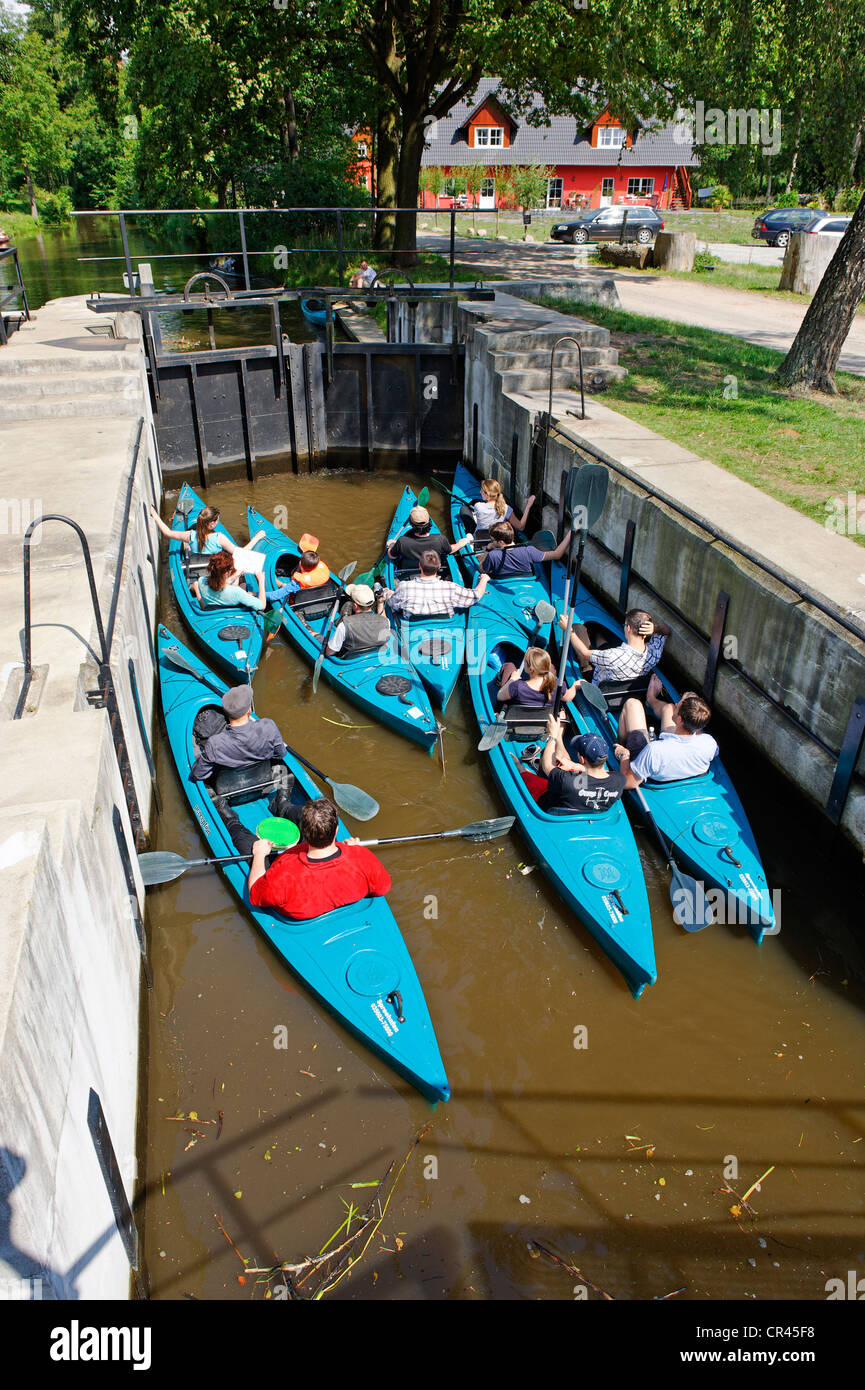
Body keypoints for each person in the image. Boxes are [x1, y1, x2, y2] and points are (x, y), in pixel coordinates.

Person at [190, 685, 297, 851]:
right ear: (249, 710)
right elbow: (280, 753)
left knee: (205, 784)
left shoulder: (215, 744)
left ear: (226, 714)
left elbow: (198, 774)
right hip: (264, 785)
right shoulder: (268, 726)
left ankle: (230, 818)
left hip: (229, 792)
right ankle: (282, 803)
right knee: (281, 766)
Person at [248, 797, 391, 920]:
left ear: (303, 832)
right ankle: (282, 805)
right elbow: (382, 888)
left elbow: (254, 895)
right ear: (336, 830)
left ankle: (232, 821)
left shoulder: (285, 868)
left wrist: (259, 854)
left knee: (248, 844)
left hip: (297, 917)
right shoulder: (362, 856)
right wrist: (355, 849)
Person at [615, 676, 718, 785]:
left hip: (649, 762)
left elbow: (628, 783)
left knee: (632, 704)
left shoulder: (654, 751)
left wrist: (624, 756)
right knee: (668, 708)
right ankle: (651, 699)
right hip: (675, 753)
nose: (676, 704)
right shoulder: (709, 743)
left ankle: (620, 744)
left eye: (678, 706)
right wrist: (693, 710)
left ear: (679, 720)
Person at [522, 718, 626, 815]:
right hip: (587, 811)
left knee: (519, 768)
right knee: (567, 767)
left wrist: (552, 736)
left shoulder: (566, 780)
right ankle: (560, 738)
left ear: (581, 758)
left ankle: (517, 763)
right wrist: (574, 766)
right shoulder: (619, 780)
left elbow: (547, 766)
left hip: (552, 806)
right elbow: (599, 773)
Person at [560, 607, 670, 685]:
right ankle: (596, 633)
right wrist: (655, 628)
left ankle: (586, 667)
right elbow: (666, 631)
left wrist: (569, 630)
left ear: (629, 628)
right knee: (600, 636)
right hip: (619, 673)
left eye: (625, 624)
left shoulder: (613, 655)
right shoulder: (654, 653)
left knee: (577, 628)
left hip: (599, 680)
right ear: (647, 632)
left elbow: (584, 653)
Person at [385, 549, 488, 618]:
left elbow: (392, 604)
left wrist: (389, 593)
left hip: (412, 627)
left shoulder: (404, 586)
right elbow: (476, 595)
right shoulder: (450, 587)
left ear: (420, 566)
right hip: (446, 627)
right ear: (439, 567)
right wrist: (484, 579)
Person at [386, 505, 473, 572]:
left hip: (407, 571)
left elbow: (391, 556)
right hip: (432, 570)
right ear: (429, 523)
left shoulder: (402, 541)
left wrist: (391, 544)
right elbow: (450, 550)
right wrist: (461, 543)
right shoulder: (440, 539)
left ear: (411, 524)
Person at [480, 520, 572, 579]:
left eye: (493, 540)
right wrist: (571, 532)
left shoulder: (493, 555)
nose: (492, 542)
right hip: (528, 583)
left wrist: (488, 550)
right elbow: (557, 554)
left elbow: (481, 569)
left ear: (501, 542)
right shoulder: (529, 550)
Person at [496, 647, 576, 708]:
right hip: (542, 724)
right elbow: (568, 697)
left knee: (509, 666)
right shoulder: (558, 685)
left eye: (525, 662)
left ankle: (497, 710)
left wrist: (512, 679)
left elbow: (499, 696)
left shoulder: (517, 686)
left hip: (518, 721)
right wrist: (575, 686)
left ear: (530, 669)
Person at [326, 582, 390, 657]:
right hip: (374, 657)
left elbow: (329, 652)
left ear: (355, 606)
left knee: (318, 637)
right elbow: (382, 618)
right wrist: (380, 602)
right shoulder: (386, 622)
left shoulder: (344, 626)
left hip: (349, 659)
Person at [193, 550, 267, 611]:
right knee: (243, 585)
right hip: (231, 615)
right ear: (226, 573)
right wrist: (261, 581)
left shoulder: (201, 581)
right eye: (232, 569)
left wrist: (235, 575)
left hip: (212, 611)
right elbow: (262, 605)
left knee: (241, 585)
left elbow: (220, 583)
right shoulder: (237, 592)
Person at [470, 478, 535, 534]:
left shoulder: (478, 506)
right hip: (497, 539)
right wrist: (528, 506)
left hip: (480, 538)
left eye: (482, 490)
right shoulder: (506, 508)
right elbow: (521, 527)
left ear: (487, 494)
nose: (480, 492)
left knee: (464, 510)